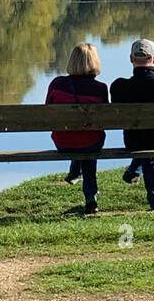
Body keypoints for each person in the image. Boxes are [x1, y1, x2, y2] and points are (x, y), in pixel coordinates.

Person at [110, 38, 154, 211]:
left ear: (131, 59)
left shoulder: (119, 87)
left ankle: (138, 175)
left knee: (146, 142)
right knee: (152, 143)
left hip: (134, 141)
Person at [46, 42, 109, 215]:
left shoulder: (57, 84)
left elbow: (47, 114)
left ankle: (75, 171)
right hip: (90, 143)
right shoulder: (100, 88)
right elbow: (104, 120)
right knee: (89, 140)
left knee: (80, 137)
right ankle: (90, 197)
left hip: (63, 142)